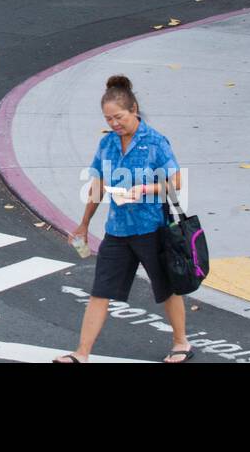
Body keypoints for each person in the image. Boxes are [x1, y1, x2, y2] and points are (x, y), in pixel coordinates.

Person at [56, 75, 192, 363]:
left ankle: (181, 343)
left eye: (118, 117)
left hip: (151, 228)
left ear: (134, 110)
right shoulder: (106, 145)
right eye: (108, 119)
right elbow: (96, 186)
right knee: (100, 291)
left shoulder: (155, 142)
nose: (114, 124)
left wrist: (145, 189)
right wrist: (84, 223)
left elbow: (176, 181)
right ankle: (81, 354)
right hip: (117, 231)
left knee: (166, 288)